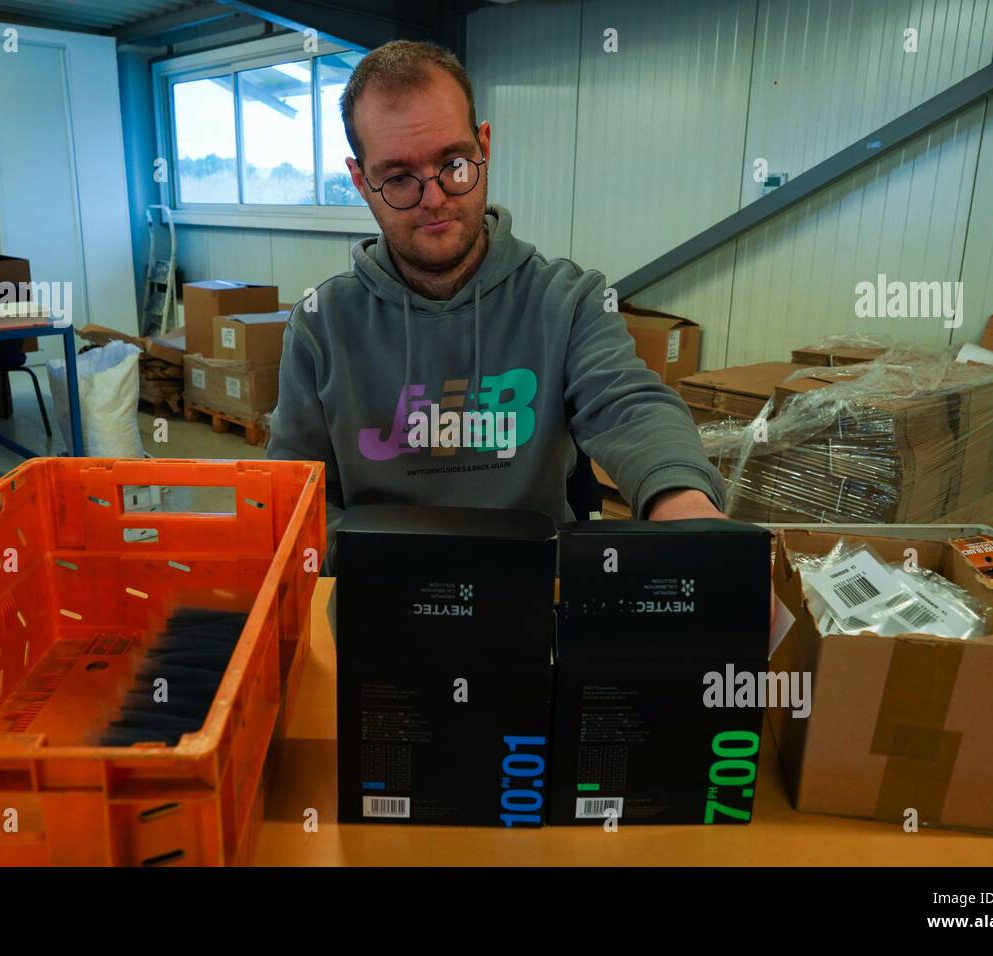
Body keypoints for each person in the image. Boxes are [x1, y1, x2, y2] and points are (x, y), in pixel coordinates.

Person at [267, 41, 732, 571]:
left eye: (454, 163)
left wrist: (685, 505)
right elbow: (295, 492)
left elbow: (629, 404)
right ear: (361, 180)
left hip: (533, 596)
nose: (435, 197)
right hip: (375, 597)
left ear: (483, 144)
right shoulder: (321, 325)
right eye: (398, 178)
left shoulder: (568, 300)